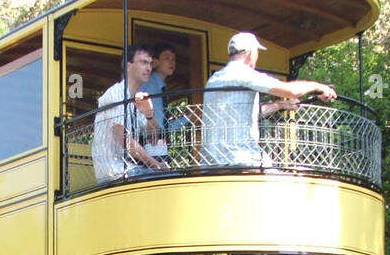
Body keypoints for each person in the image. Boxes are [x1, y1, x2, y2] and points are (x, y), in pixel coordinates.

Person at [201, 32, 338, 167]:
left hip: (210, 162)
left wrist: (280, 105)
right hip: (241, 157)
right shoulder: (245, 74)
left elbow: (248, 113)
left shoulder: (214, 79)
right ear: (250, 53)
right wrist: (319, 87)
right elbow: (292, 91)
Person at [92, 45, 170, 183]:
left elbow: (152, 137)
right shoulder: (116, 94)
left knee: (171, 178)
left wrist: (149, 115)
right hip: (113, 171)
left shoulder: (135, 98)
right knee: (166, 179)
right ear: (129, 66)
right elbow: (126, 142)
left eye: (150, 63)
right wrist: (157, 165)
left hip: (129, 169)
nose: (148, 68)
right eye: (143, 62)